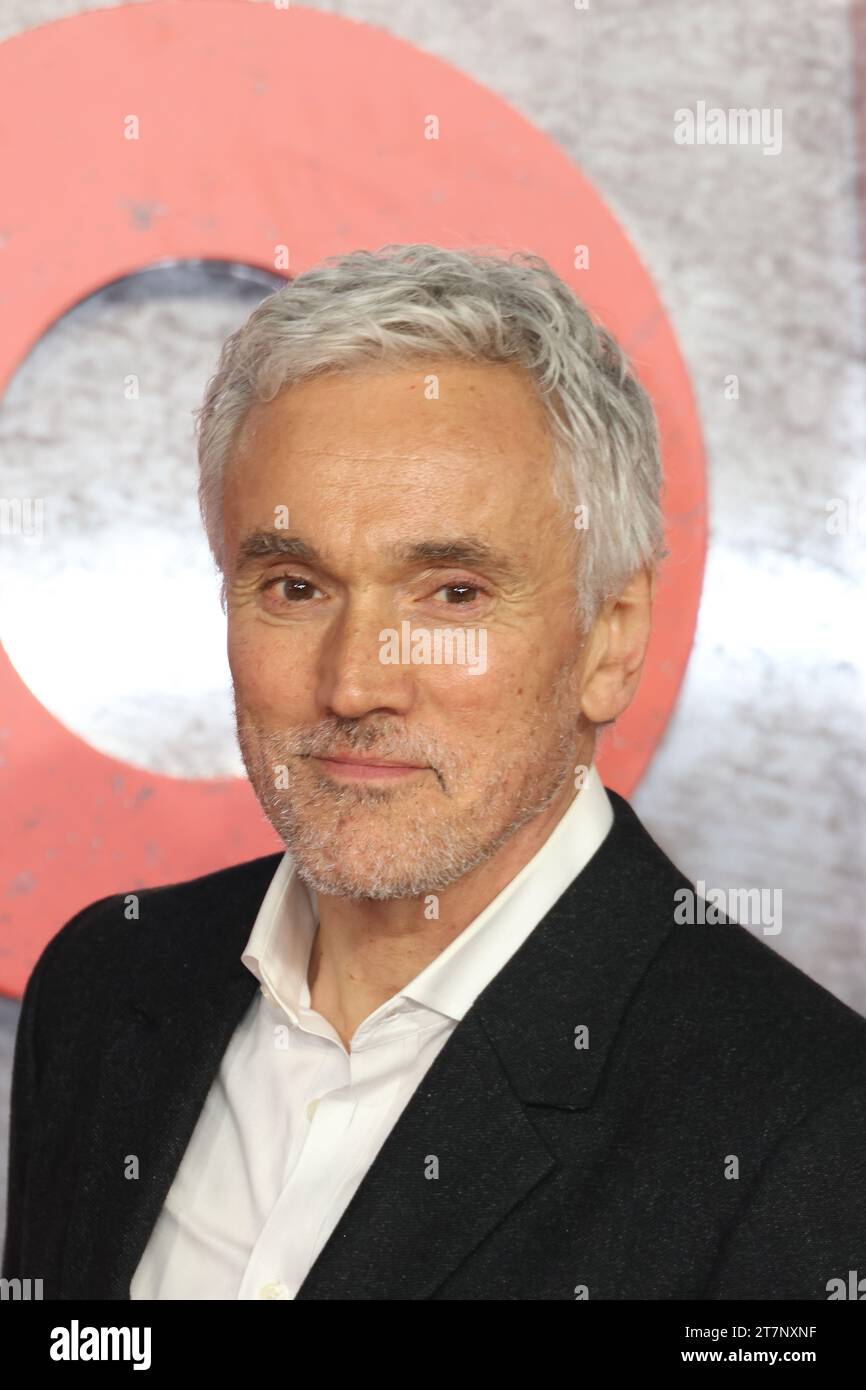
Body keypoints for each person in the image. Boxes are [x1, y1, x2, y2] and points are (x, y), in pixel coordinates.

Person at [4, 244, 865, 1300]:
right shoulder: (107, 989)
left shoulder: (805, 1133)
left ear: (610, 637)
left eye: (450, 594)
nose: (355, 681)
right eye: (292, 585)